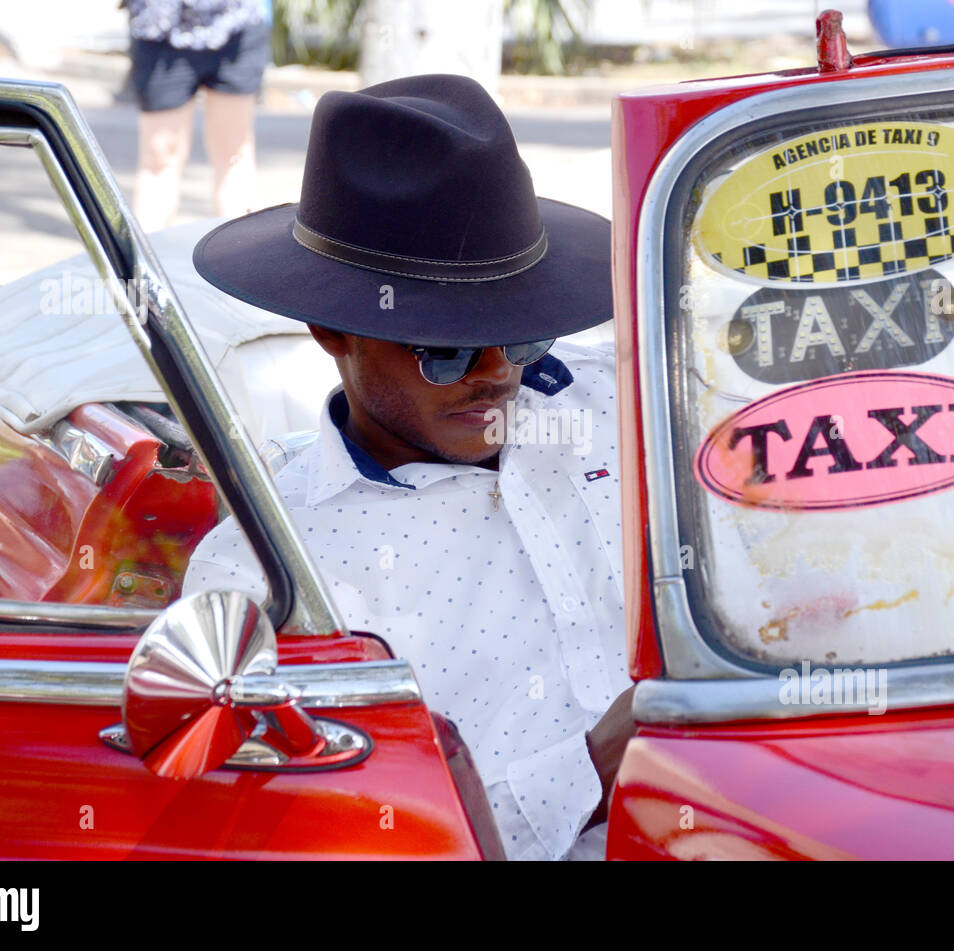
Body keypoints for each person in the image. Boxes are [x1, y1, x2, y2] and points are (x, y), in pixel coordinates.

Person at [183, 73, 634, 861]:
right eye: (446, 350)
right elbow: (339, 838)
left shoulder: (631, 408)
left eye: (524, 336)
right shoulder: (270, 579)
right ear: (332, 330)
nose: (496, 372)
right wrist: (592, 769)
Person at [125, 0, 270, 230]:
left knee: (235, 154)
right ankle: (144, 260)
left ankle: (242, 254)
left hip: (236, 22)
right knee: (159, 158)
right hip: (160, 26)